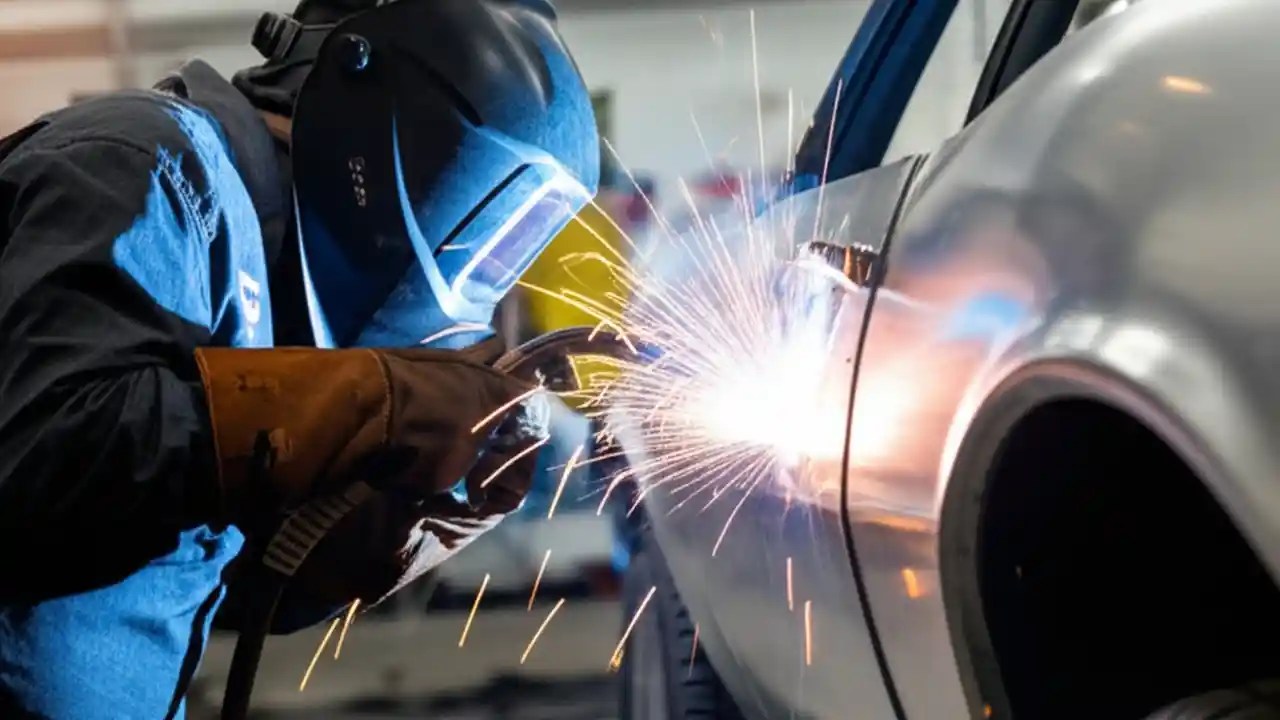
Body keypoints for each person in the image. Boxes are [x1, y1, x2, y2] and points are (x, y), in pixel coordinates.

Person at [0, 0, 599, 717]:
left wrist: (406, 517)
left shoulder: (261, 282)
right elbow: (44, 451)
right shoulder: (149, 166)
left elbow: (216, 582)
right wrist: (365, 404)